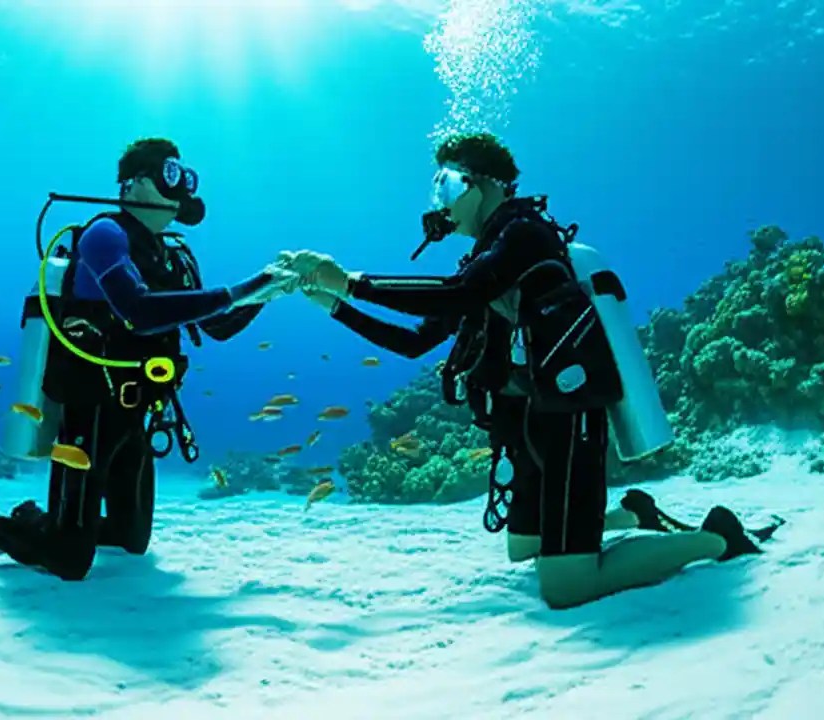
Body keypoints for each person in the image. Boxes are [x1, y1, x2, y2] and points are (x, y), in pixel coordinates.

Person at [282, 132, 770, 609]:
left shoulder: (524, 234)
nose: (441, 205)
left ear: (482, 184)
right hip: (525, 425)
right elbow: (414, 342)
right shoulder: (484, 260)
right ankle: (630, 515)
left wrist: (351, 282)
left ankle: (717, 538)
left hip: (567, 416)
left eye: (446, 187)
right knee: (525, 549)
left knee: (565, 587)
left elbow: (459, 292)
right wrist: (335, 305)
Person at [0, 138, 298, 580]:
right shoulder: (104, 235)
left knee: (131, 539)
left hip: (140, 409)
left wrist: (269, 291)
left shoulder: (175, 255)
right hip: (91, 405)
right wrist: (247, 288)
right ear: (132, 185)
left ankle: (37, 521)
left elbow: (217, 326)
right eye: (168, 173)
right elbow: (136, 310)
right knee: (69, 561)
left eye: (183, 177)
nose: (179, 188)